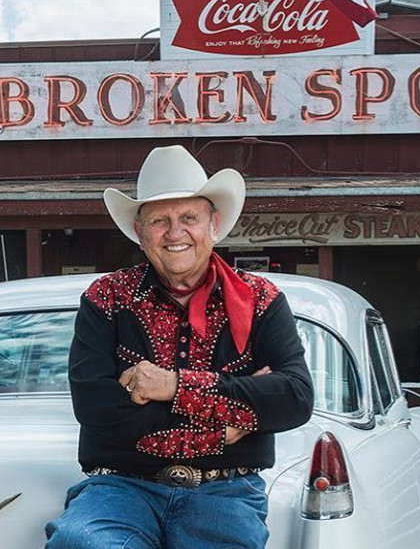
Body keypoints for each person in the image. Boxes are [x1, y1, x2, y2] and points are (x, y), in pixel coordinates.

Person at [45, 145, 314, 549]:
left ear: (214, 225)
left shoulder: (261, 299)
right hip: (121, 489)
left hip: (227, 492)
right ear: (139, 232)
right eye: (159, 220)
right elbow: (95, 408)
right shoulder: (106, 298)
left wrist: (170, 386)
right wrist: (225, 430)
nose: (175, 233)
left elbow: (294, 397)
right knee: (80, 543)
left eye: (189, 217)